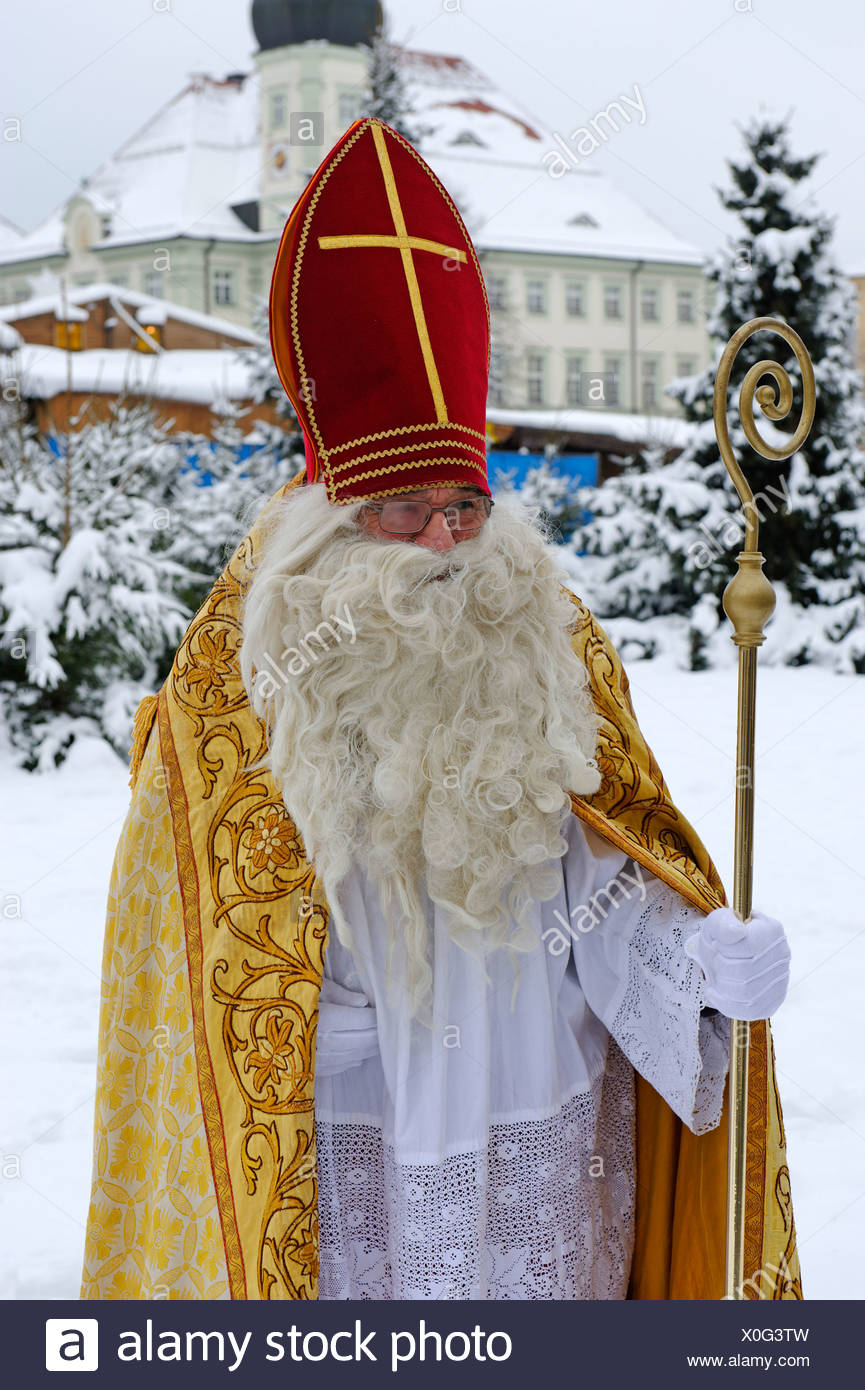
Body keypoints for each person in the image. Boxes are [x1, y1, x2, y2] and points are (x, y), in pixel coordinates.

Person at [80, 117, 801, 1301]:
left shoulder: (543, 633)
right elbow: (196, 994)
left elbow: (601, 869)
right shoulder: (240, 682)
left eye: (465, 502)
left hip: (544, 1124)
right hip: (348, 1143)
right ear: (327, 511)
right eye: (406, 508)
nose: (448, 541)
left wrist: (693, 962)